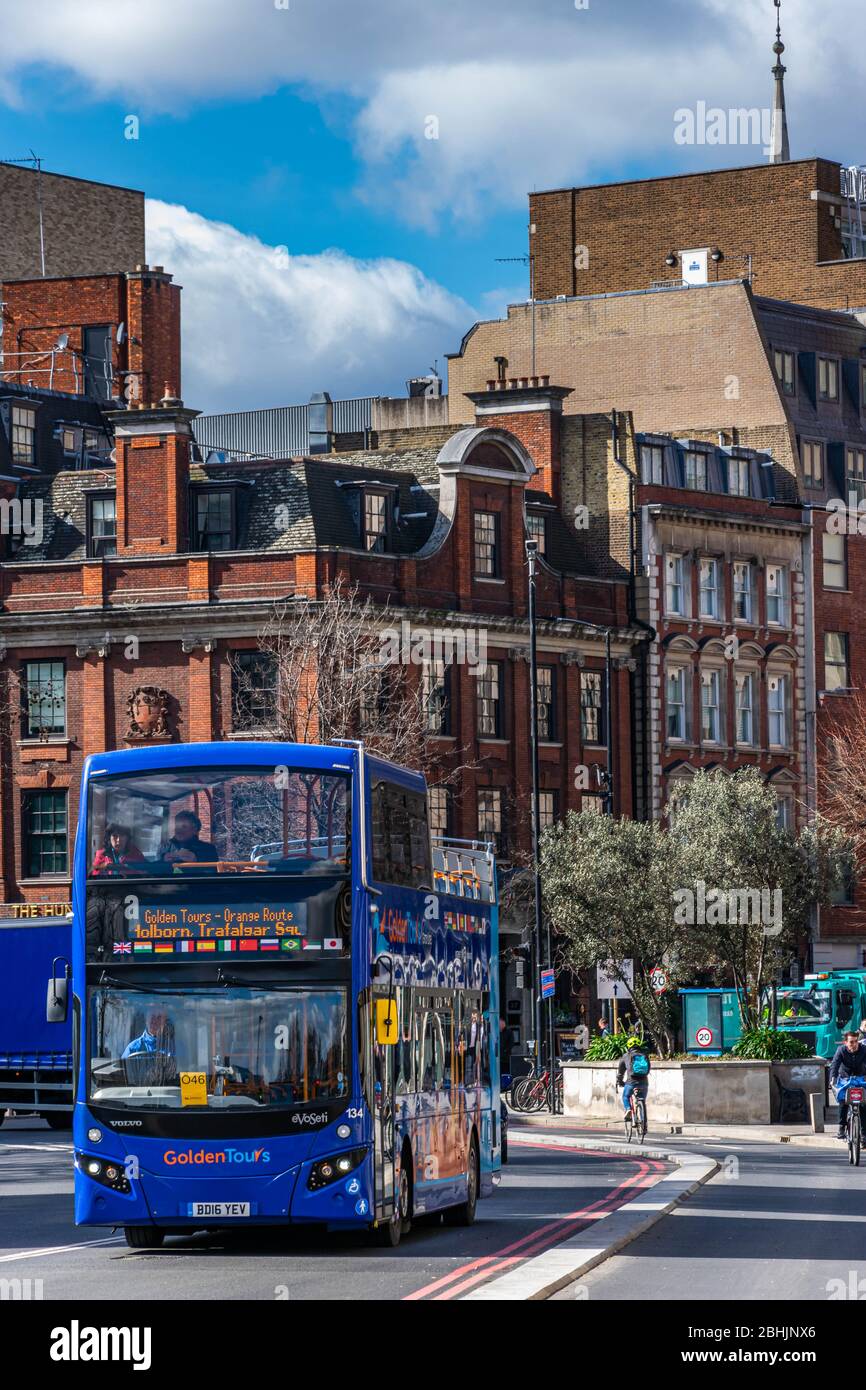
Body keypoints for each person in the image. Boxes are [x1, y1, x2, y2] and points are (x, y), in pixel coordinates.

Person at [829, 1029, 866, 1139]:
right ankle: (841, 1128)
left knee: (864, 1104)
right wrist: (833, 1079)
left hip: (861, 1078)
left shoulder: (864, 1049)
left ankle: (864, 1134)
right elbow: (834, 1065)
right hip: (845, 1079)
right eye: (851, 1042)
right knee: (843, 1101)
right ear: (845, 1042)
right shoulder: (841, 1050)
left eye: (855, 1041)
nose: (854, 1044)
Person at [616, 1035, 651, 1121]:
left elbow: (620, 1072)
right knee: (642, 1100)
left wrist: (619, 1081)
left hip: (631, 1082)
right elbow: (648, 1068)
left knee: (625, 1096)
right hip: (644, 1082)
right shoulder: (644, 1055)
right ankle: (644, 1124)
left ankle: (628, 1109)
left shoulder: (626, 1056)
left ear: (629, 1046)